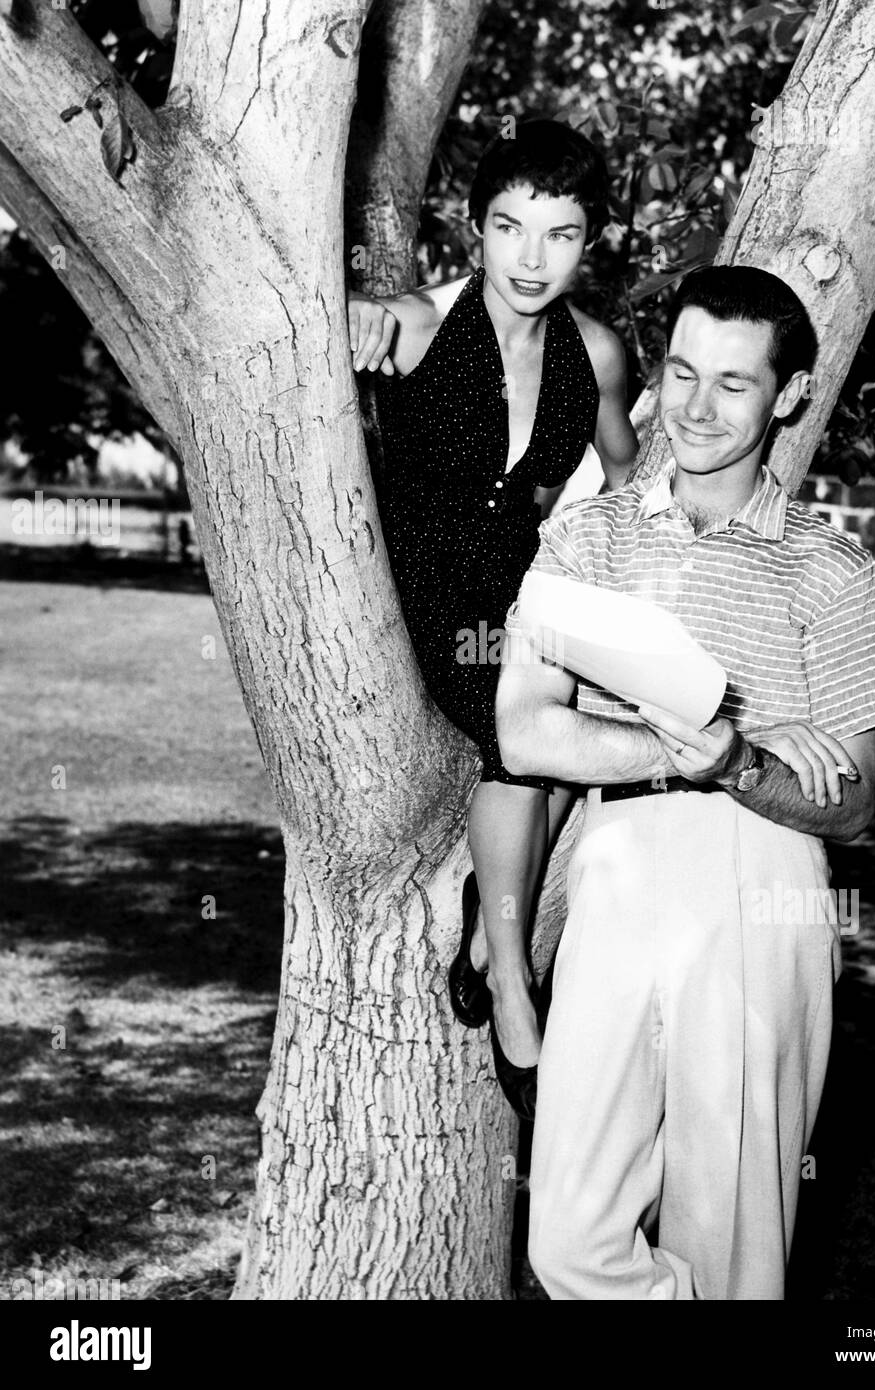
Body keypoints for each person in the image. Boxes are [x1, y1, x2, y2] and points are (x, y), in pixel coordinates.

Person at [496, 265, 875, 1298]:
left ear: (790, 397)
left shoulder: (833, 569)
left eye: (734, 383)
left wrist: (730, 764)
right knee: (568, 1238)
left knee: (731, 1239)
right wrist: (711, 733)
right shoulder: (587, 537)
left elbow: (853, 800)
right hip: (614, 867)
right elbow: (524, 730)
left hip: (756, 883)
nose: (696, 405)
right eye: (682, 371)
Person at [347, 120, 638, 1117]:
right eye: (510, 227)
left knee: (598, 708)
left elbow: (629, 474)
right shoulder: (417, 325)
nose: (531, 256)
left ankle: (485, 924)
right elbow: (350, 324)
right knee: (532, 732)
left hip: (528, 596)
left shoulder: (597, 351)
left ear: (587, 243)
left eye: (559, 234)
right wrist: (352, 316)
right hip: (429, 599)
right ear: (474, 229)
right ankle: (514, 984)